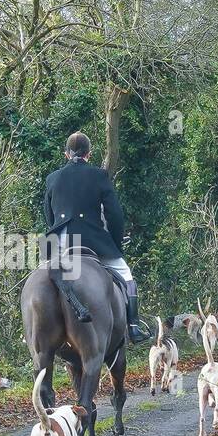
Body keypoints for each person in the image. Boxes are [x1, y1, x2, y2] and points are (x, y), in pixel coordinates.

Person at [42, 131, 153, 343]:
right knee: (127, 276)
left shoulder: (52, 178)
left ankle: (33, 333)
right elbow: (115, 215)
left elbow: (49, 216)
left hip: (59, 242)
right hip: (91, 239)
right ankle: (134, 327)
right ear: (89, 154)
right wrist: (115, 243)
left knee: (41, 276)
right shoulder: (99, 175)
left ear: (66, 154)